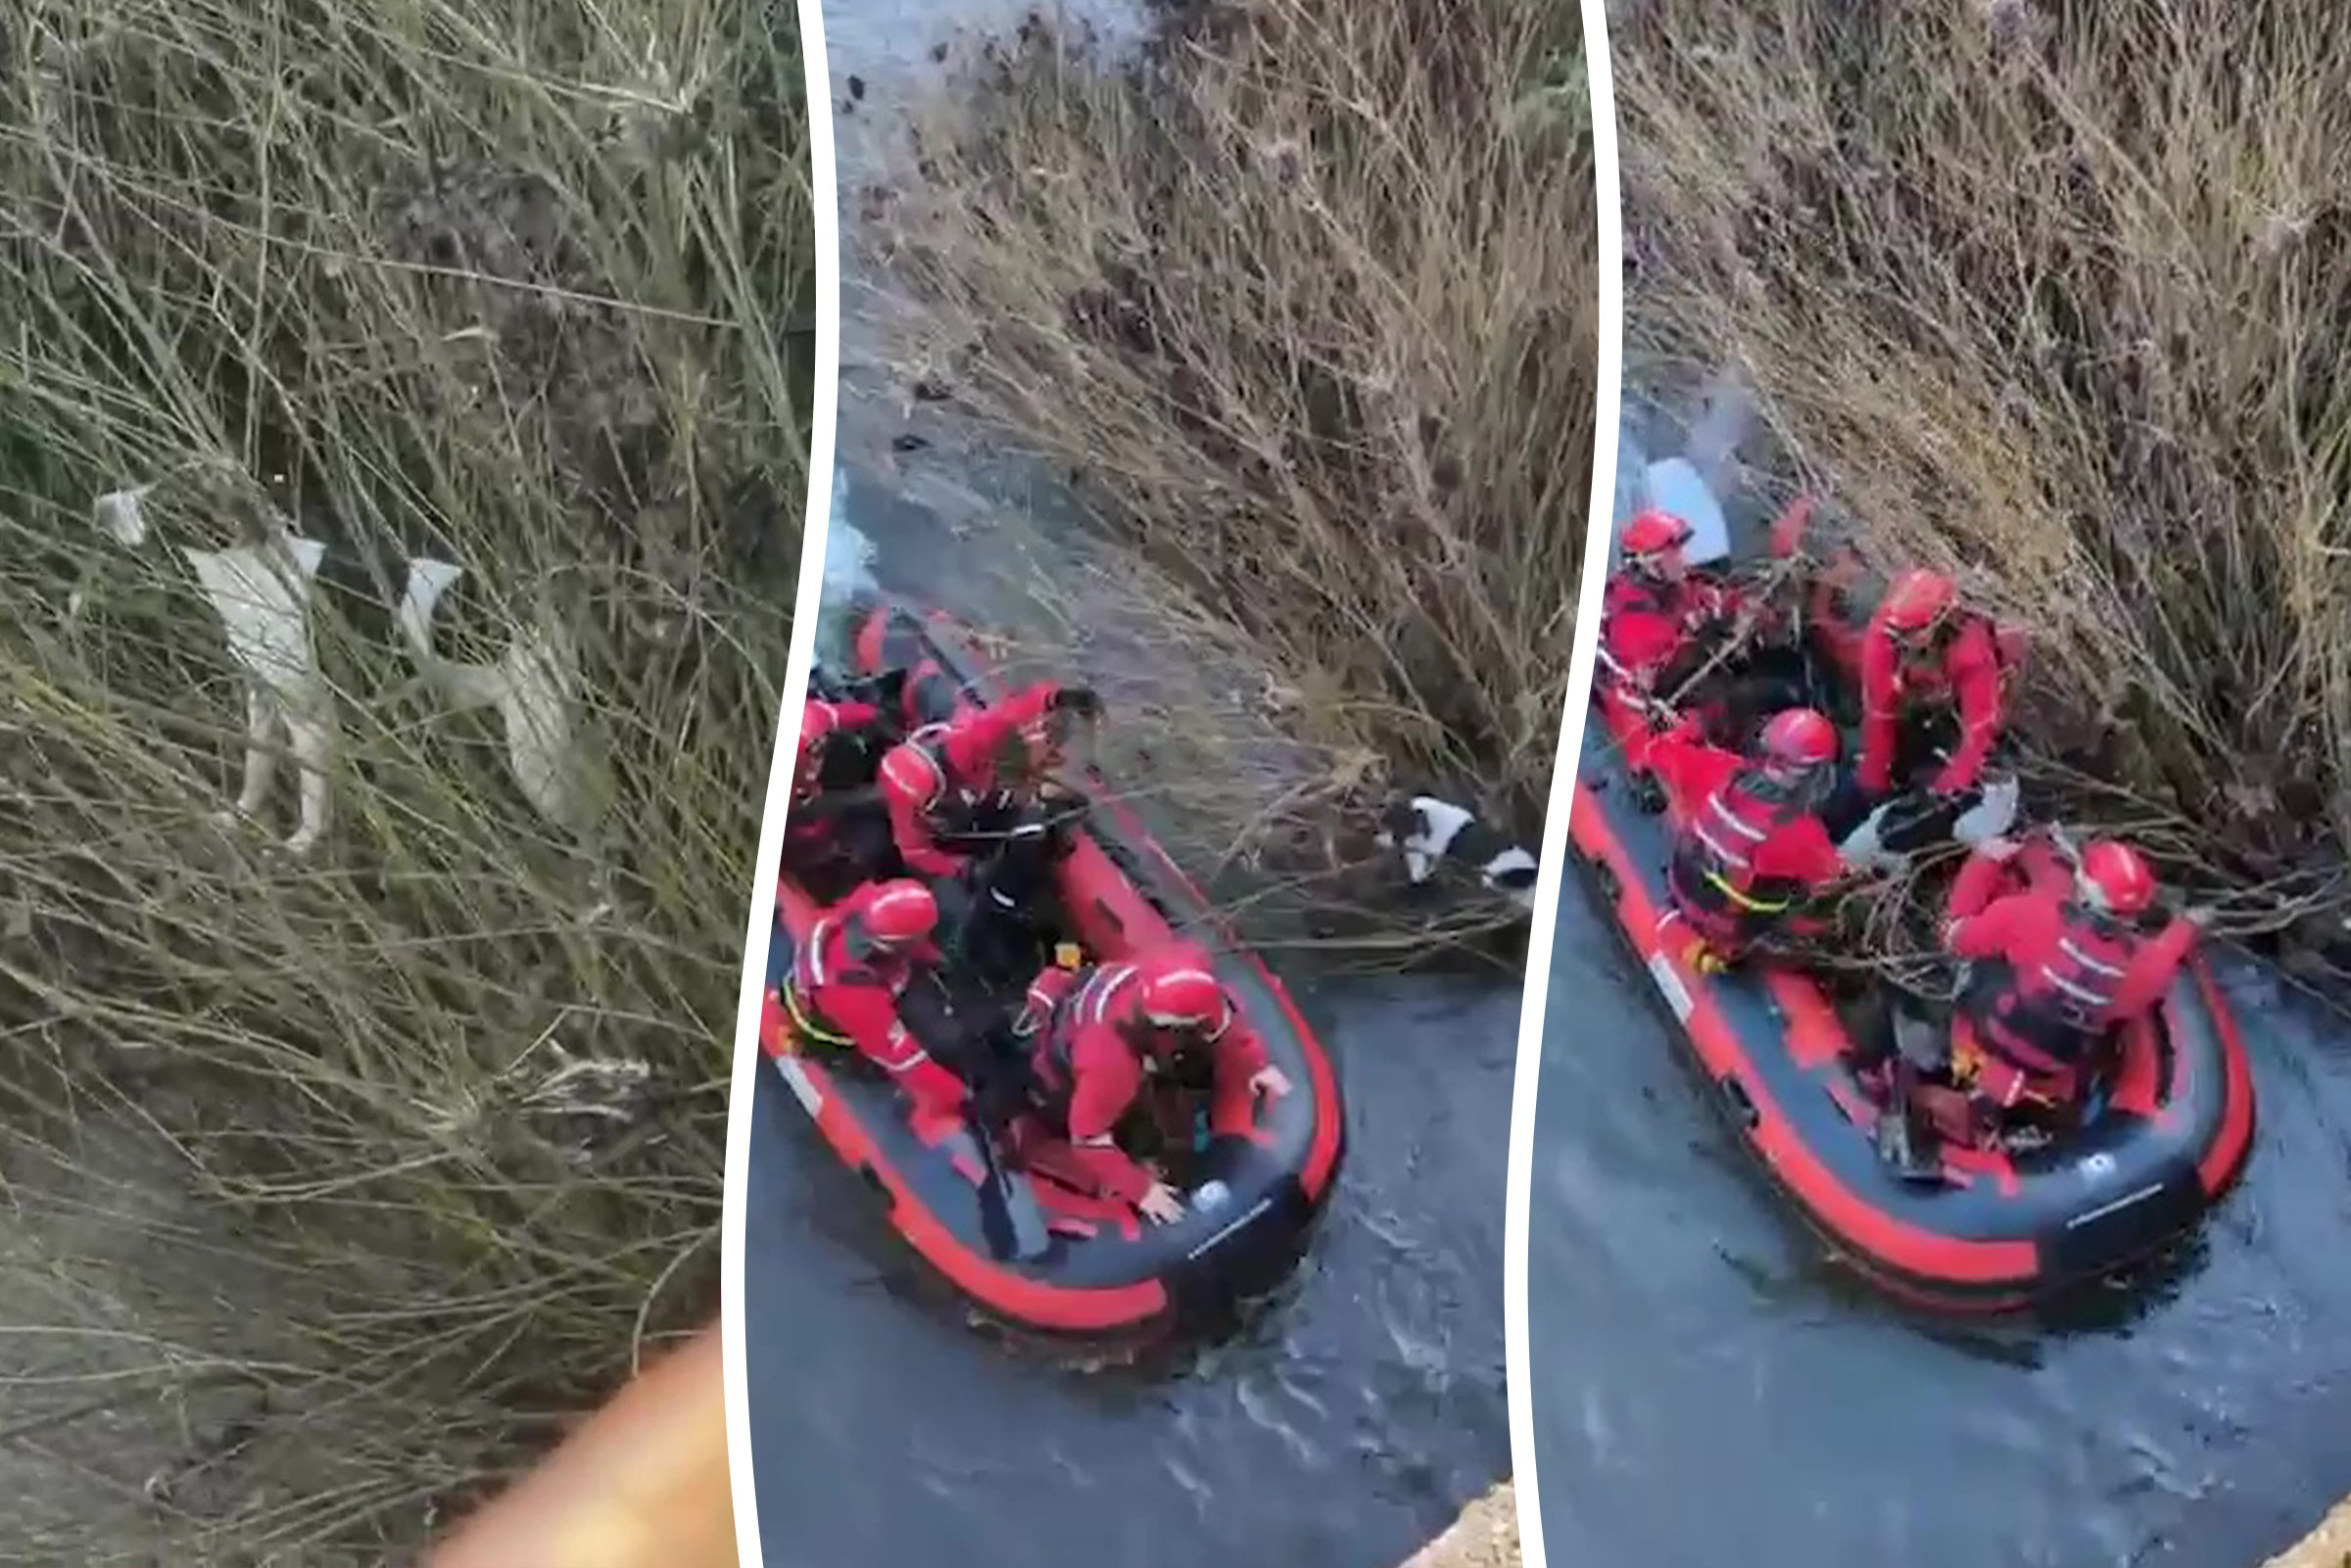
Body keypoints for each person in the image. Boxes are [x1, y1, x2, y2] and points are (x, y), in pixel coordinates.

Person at [1014, 945, 1292, 1226]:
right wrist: (1141, 1189)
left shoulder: (1179, 969)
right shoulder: (1110, 1063)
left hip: (1121, 1044)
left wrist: (1254, 1063)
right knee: (1089, 1135)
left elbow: (1223, 1021)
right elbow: (1087, 1137)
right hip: (1064, 1081)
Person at [1939, 832, 2207, 1106]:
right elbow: (2167, 951)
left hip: (1990, 1028)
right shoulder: (2143, 967)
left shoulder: (2031, 914)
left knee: (1980, 955)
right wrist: (2189, 925)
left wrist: (1984, 860)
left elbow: (1955, 938)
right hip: (2053, 1064)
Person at [1648, 705, 1853, 970]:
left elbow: (1658, 753)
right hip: (1730, 934)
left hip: (1683, 888)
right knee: (1832, 924)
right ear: (1816, 775)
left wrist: (1688, 727)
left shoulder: (1724, 770)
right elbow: (1833, 882)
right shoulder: (1803, 835)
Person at [779, 879, 970, 1126]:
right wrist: (958, 1096)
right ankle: (858, 1070)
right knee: (945, 1038)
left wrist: (934, 957)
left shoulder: (867, 905)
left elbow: (911, 942)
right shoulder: (854, 995)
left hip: (873, 979)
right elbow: (905, 1060)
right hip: (843, 1028)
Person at [876, 681, 1101, 880]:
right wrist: (964, 869)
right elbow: (914, 850)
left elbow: (1015, 710)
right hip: (948, 824)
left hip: (967, 784)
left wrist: (1057, 698)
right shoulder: (915, 790)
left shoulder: (981, 736)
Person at [1597, 509, 1747, 769]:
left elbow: (1706, 600)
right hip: (1665, 709)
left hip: (1683, 683)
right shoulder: (1634, 626)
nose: (1682, 559)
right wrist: (1645, 763)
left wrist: (1743, 606)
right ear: (1650, 564)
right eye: (1672, 554)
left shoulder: (1673, 588)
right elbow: (1628, 700)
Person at [1852, 568, 2010, 805]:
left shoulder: (1972, 652)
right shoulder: (1883, 635)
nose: (1901, 639)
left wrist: (1949, 786)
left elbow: (1979, 728)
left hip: (1960, 706)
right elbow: (1878, 711)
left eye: (1910, 632)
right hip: (1919, 703)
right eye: (1897, 632)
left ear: (1940, 623)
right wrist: (1874, 778)